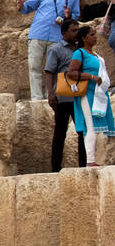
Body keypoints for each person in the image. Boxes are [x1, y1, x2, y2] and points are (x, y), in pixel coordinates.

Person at [17, 0, 79, 101]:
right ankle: (37, 98)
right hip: (37, 34)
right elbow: (27, 7)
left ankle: (51, 96)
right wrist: (21, 6)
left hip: (57, 36)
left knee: (54, 69)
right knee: (34, 67)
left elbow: (77, 15)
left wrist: (69, 16)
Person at [66, 23, 115, 167]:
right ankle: (90, 161)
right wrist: (91, 77)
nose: (95, 37)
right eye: (92, 35)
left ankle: (92, 160)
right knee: (91, 125)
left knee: (96, 125)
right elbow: (71, 73)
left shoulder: (95, 55)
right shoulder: (79, 53)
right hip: (87, 94)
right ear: (83, 38)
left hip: (98, 93)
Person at [45, 20, 87, 171]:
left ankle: (84, 165)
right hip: (63, 98)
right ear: (64, 33)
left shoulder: (80, 50)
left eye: (77, 30)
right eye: (73, 31)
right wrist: (51, 94)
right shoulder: (55, 50)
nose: (76, 33)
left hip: (78, 96)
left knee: (83, 131)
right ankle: (55, 168)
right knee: (60, 133)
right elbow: (49, 72)